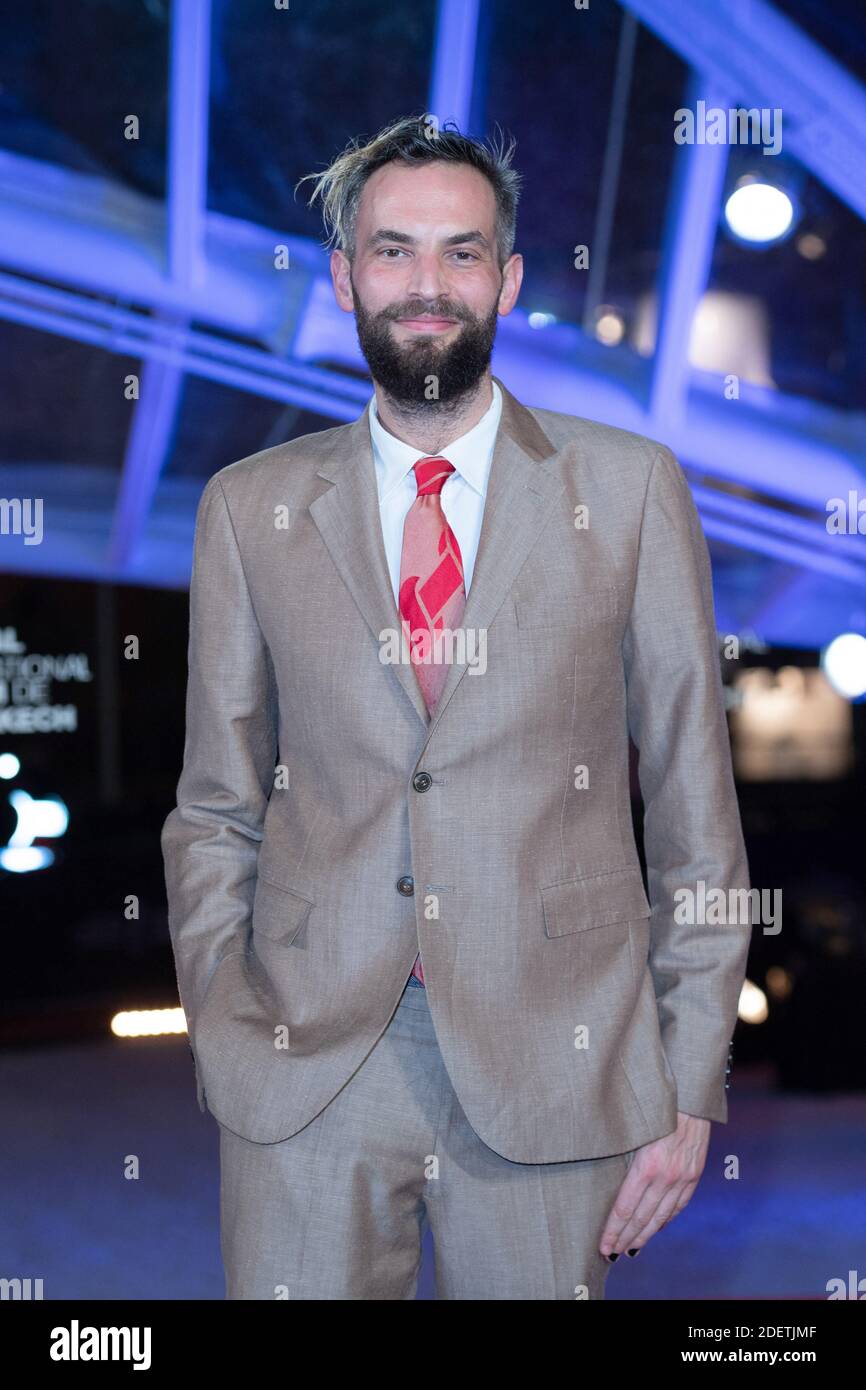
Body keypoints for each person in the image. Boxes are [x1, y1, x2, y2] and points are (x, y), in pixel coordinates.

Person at [161, 114, 751, 1300]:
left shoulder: (628, 490)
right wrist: (225, 1020)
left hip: (556, 1061)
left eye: (461, 253)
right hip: (307, 1064)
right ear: (342, 279)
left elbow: (697, 811)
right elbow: (215, 806)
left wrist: (686, 1080)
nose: (426, 285)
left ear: (508, 278)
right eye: (392, 251)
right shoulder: (247, 509)